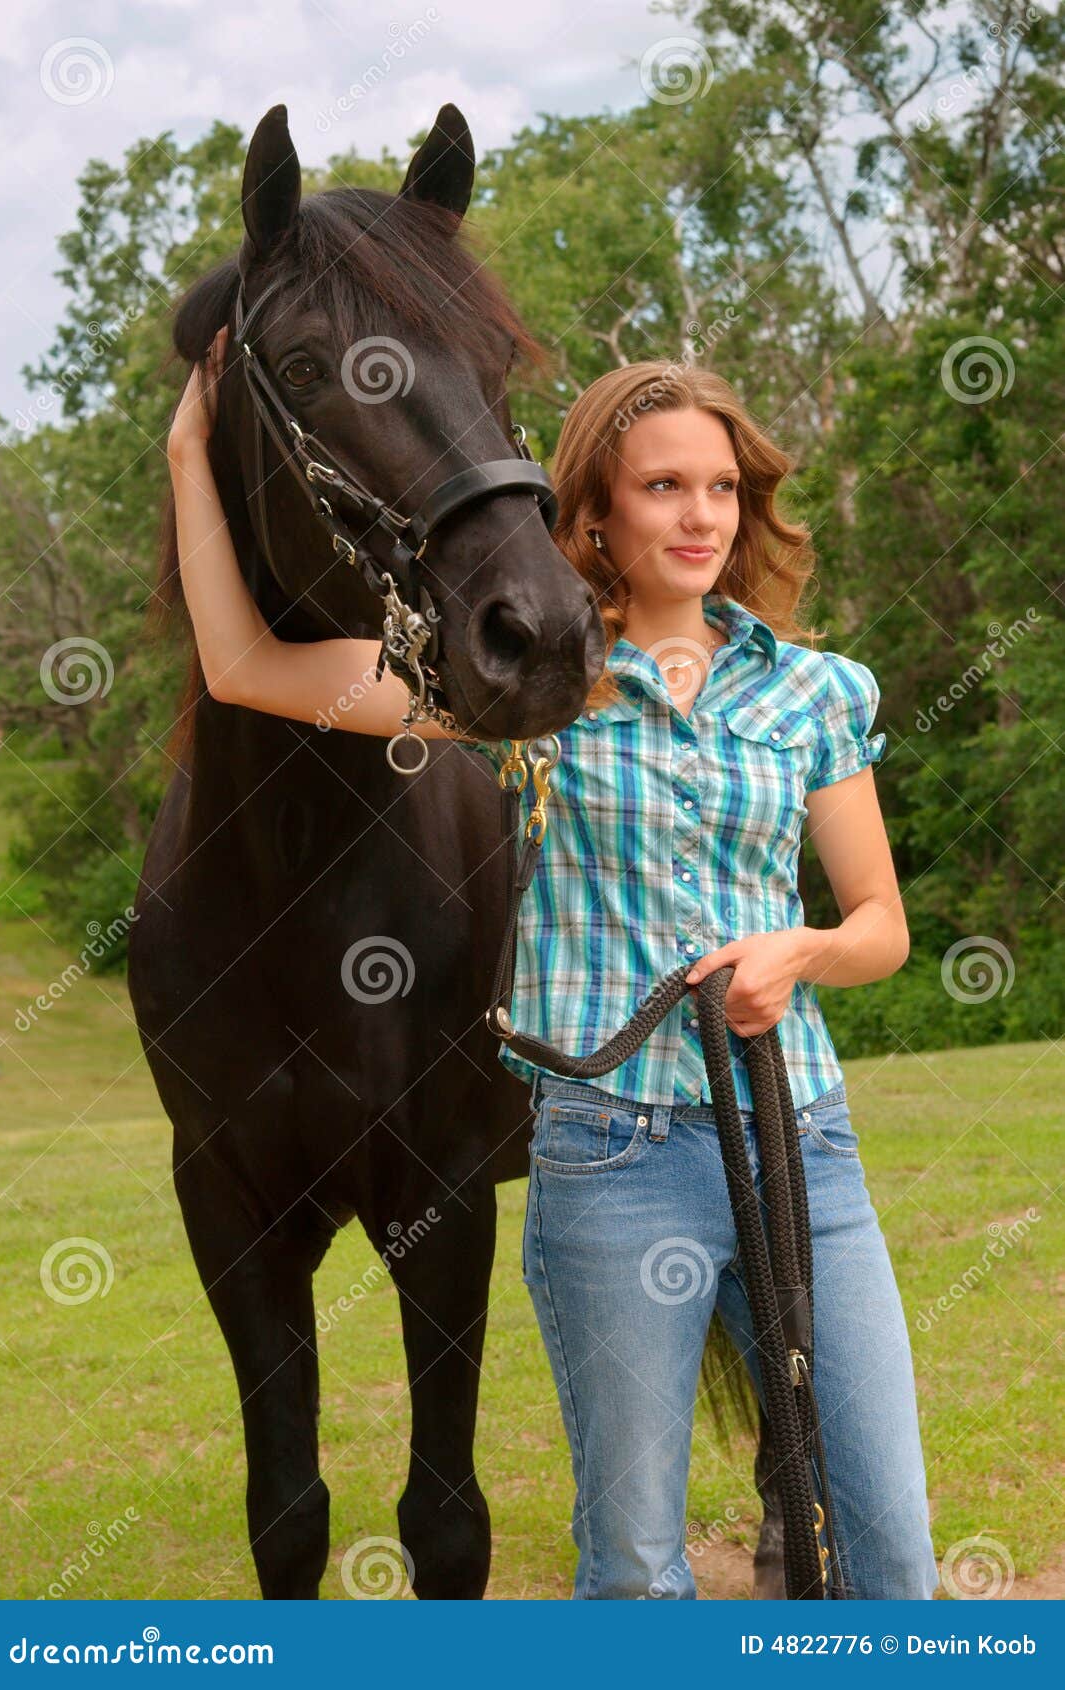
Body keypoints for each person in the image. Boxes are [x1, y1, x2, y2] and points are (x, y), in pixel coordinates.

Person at [168, 332, 939, 1602]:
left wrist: (794, 950)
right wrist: (195, 452)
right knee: (635, 1568)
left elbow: (878, 925)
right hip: (613, 1157)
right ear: (591, 506)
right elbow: (247, 668)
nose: (700, 515)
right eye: (662, 486)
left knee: (885, 1545)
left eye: (722, 487)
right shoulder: (528, 689)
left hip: (799, 1137)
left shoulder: (814, 689)